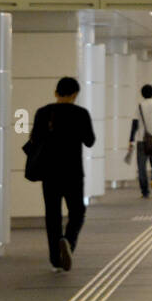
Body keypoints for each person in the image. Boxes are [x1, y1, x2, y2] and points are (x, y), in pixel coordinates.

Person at [29, 76, 96, 273]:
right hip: (73, 171)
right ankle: (68, 241)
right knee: (77, 212)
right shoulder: (81, 113)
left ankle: (55, 261)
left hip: (49, 172)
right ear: (75, 94)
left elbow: (35, 138)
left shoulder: (43, 112)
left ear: (55, 93)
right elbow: (90, 141)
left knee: (52, 215)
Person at [128, 83, 152, 198]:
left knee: (141, 167)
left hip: (142, 140)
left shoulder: (139, 107)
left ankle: (145, 192)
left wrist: (131, 140)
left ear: (142, 94)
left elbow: (134, 125)